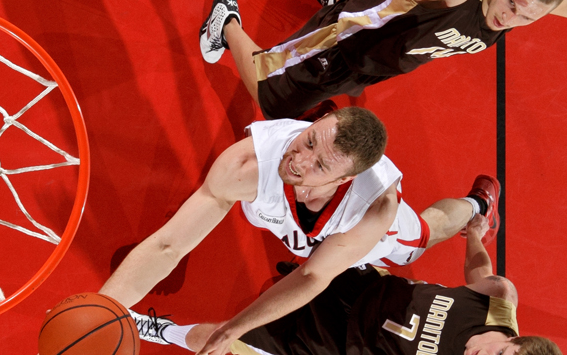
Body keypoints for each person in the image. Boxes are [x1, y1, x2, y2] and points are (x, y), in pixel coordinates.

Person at [99, 108, 501, 354]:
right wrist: (100, 311)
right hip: (310, 233)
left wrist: (235, 327)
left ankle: (478, 205)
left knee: (423, 238)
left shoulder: (376, 207)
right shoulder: (248, 166)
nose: (298, 161)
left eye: (321, 165)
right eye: (309, 141)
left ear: (349, 177)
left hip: (360, 240)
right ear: (317, 123)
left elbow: (314, 275)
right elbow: (168, 245)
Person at [128, 214, 562, 355]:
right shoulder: (499, 300)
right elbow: (479, 274)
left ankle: (158, 330)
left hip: (337, 342)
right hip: (356, 284)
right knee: (329, 215)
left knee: (234, 347)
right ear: (515, 339)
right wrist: (473, 234)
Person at [198, 0, 567, 119]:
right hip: (343, 44)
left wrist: (526, 9)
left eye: (527, 18)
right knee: (273, 100)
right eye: (512, 3)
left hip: (380, 59)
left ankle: (351, 1)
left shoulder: (533, 2)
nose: (511, 18)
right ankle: (226, 22)